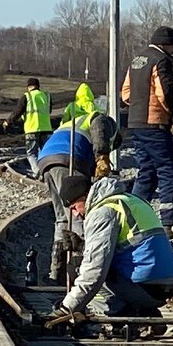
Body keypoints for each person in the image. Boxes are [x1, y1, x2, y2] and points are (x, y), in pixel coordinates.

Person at [46, 173, 173, 325]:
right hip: (164, 287)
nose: (76, 214)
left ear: (84, 197)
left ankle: (123, 318)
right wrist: (82, 246)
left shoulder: (102, 212)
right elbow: (129, 247)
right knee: (99, 267)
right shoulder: (130, 200)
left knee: (78, 267)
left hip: (144, 287)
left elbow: (94, 271)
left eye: (74, 207)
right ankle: (143, 311)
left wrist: (66, 308)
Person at [36, 103, 120, 282]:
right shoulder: (102, 121)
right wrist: (102, 155)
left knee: (63, 216)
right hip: (69, 157)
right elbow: (99, 128)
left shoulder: (74, 122)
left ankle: (57, 272)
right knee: (79, 212)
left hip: (46, 161)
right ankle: (79, 269)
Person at [121, 25, 173, 238]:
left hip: (135, 123)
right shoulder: (161, 61)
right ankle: (170, 221)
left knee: (147, 171)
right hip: (154, 123)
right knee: (169, 170)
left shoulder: (137, 60)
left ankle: (133, 217)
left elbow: (126, 93)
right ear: (167, 44)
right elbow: (164, 93)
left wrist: (138, 106)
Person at [3, 77, 53, 175]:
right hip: (46, 130)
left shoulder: (27, 97)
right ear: (38, 86)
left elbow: (17, 112)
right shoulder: (47, 96)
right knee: (46, 152)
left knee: (32, 154)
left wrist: (8, 122)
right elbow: (49, 111)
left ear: (28, 86)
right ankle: (49, 172)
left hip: (32, 130)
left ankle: (39, 173)